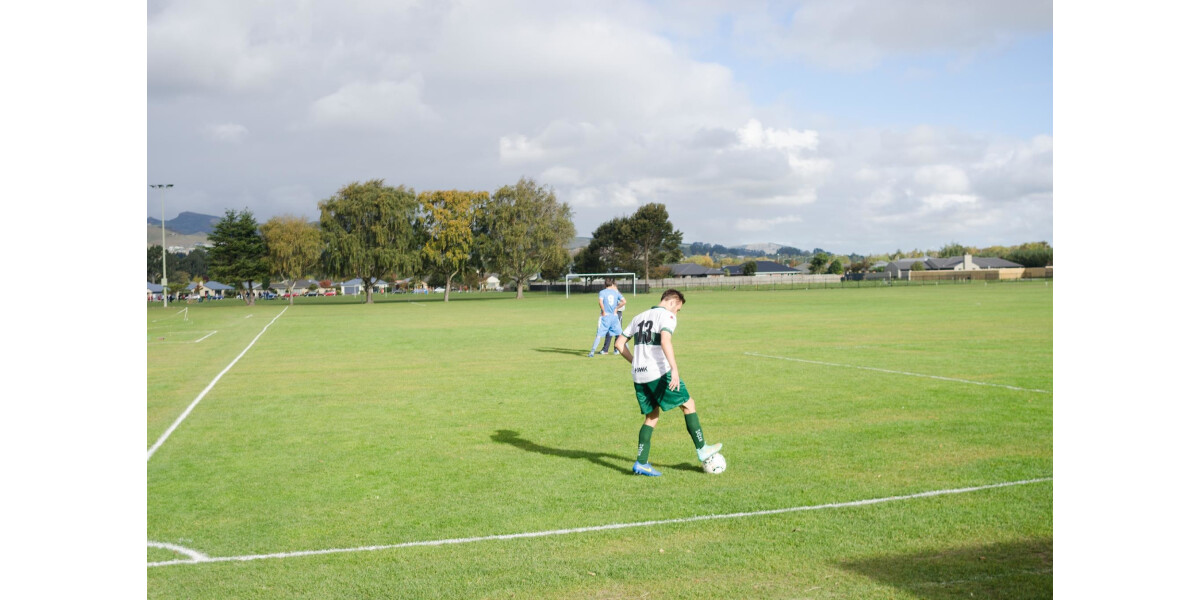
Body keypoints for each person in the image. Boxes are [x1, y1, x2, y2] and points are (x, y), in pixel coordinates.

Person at [614, 289, 721, 476]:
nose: (676, 313)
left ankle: (641, 463)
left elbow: (619, 344)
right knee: (688, 404)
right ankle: (702, 448)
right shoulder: (667, 316)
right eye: (678, 309)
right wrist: (675, 369)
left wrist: (636, 362)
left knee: (651, 417)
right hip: (659, 373)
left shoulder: (639, 316)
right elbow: (665, 340)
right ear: (672, 302)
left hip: (639, 376)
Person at [588, 278, 626, 358]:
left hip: (606, 316)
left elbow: (600, 302)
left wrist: (604, 311)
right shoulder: (616, 292)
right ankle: (626, 351)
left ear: (605, 284)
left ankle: (592, 352)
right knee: (620, 334)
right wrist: (616, 308)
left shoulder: (602, 292)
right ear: (612, 284)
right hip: (614, 316)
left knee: (599, 334)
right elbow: (624, 301)